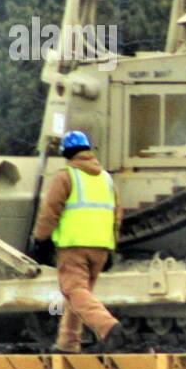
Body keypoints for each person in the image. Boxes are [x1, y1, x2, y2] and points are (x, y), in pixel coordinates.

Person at [31, 130, 126, 353]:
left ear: (66, 152)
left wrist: (40, 240)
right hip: (101, 248)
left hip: (73, 246)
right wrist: (112, 246)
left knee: (74, 291)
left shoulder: (66, 176)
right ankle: (68, 343)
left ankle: (108, 326)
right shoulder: (107, 179)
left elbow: (50, 211)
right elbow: (116, 215)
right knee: (79, 296)